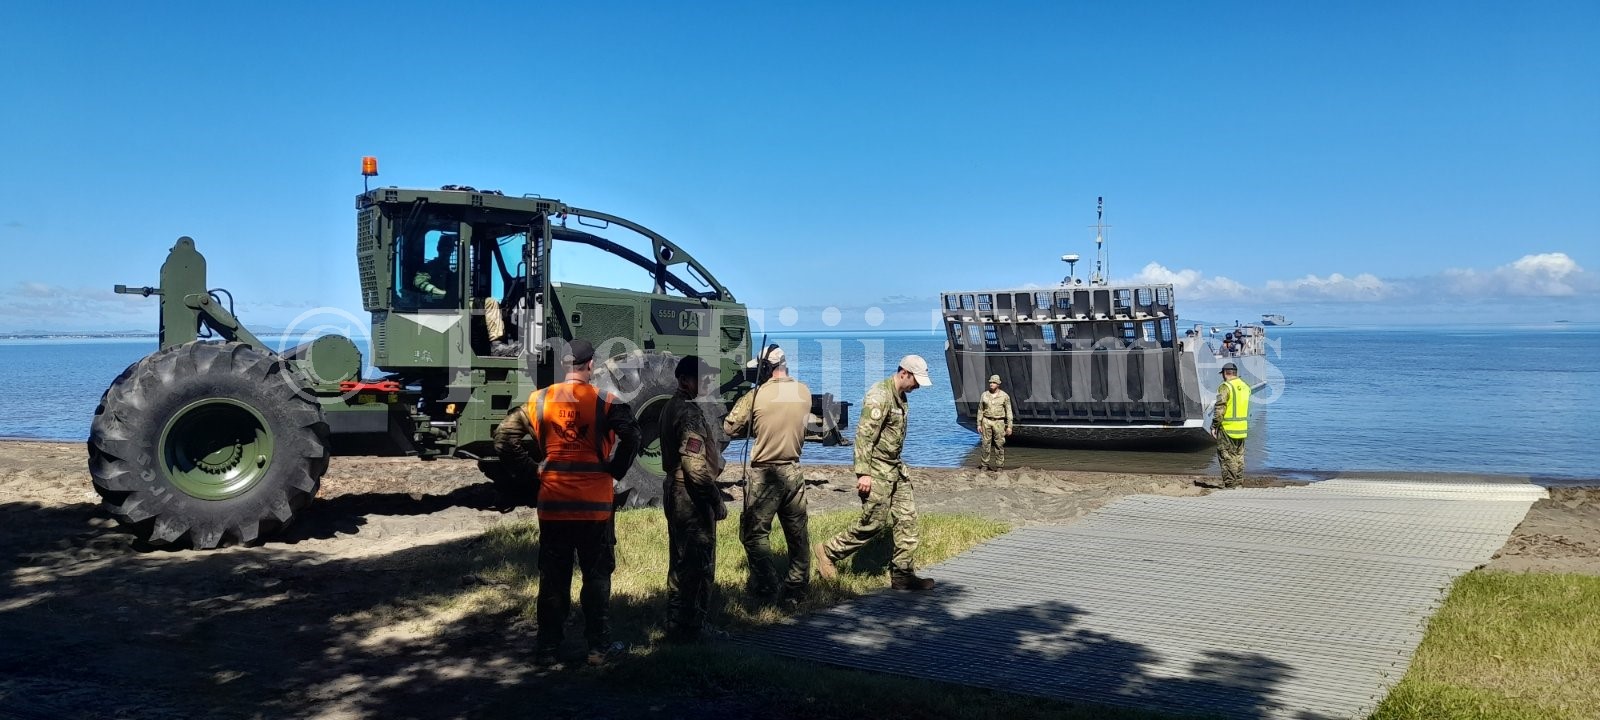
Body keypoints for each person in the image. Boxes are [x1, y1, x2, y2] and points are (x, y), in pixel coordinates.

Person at [493, 338, 639, 666]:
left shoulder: (539, 400)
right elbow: (633, 435)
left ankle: (547, 650)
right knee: (597, 577)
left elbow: (503, 437)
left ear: (564, 365)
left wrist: (533, 471)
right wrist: (615, 468)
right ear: (591, 366)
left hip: (554, 505)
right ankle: (598, 649)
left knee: (554, 579)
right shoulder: (607, 402)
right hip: (595, 508)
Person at [813, 354, 937, 592]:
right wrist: (863, 473)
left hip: (895, 469)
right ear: (904, 373)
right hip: (876, 469)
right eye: (916, 381)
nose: (918, 387)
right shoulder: (879, 395)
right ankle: (828, 551)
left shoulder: (900, 396)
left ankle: (903, 575)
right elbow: (864, 436)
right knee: (873, 523)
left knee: (907, 520)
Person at [723, 345, 813, 604]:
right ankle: (796, 587)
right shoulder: (803, 391)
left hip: (765, 474)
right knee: (797, 534)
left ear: (765, 368)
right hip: (794, 471)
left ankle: (767, 586)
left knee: (754, 534)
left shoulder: (756, 395)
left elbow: (729, 427)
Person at [659, 355, 728, 642]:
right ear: (685, 380)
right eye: (701, 377)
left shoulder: (669, 407)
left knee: (679, 560)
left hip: (675, 490)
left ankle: (677, 621)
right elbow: (696, 468)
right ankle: (694, 627)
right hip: (688, 495)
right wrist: (716, 500)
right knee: (697, 564)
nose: (706, 382)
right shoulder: (688, 413)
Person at [1204, 362, 1251, 489]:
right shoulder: (1245, 386)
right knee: (1239, 456)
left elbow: (1220, 408)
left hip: (1227, 428)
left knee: (1226, 457)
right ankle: (1239, 483)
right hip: (1242, 428)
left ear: (1225, 374)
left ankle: (1230, 484)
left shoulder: (1225, 387)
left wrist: (1214, 426)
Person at [977, 374, 1013, 471]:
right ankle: (984, 465)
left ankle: (999, 466)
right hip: (986, 421)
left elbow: (1009, 411)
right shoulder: (984, 395)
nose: (991, 384)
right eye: (990, 382)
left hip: (999, 421)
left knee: (999, 444)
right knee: (985, 443)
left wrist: (1009, 426)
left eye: (994, 383)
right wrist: (979, 424)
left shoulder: (1004, 396)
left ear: (998, 384)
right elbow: (980, 410)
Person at [413, 232, 458, 302]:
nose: (446, 251)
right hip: (433, 306)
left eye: (449, 248)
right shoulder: (428, 267)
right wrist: (440, 292)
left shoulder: (454, 271)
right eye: (444, 247)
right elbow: (419, 282)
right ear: (438, 248)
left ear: (452, 250)